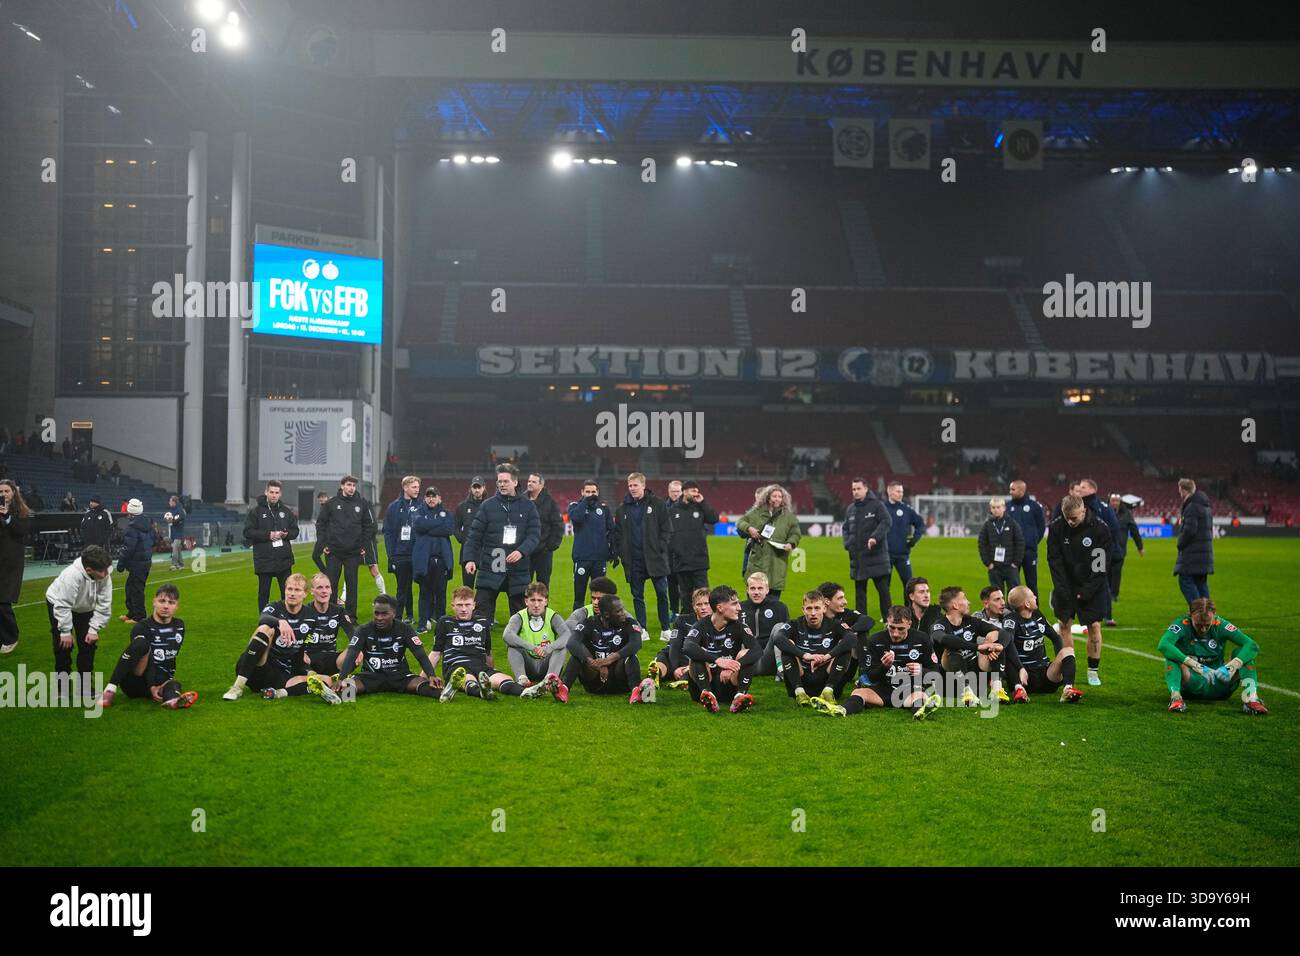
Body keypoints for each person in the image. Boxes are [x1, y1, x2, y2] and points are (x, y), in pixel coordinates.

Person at [221, 572, 340, 703]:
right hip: (257, 667)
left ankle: (278, 693)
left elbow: (299, 654)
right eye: (289, 589)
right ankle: (237, 687)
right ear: (284, 590)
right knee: (265, 628)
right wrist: (280, 622)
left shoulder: (311, 617)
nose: (292, 593)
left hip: (279, 675)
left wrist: (309, 672)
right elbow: (262, 618)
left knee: (325, 680)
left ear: (305, 594)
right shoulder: (275, 607)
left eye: (297, 590)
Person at [462, 463, 541, 635]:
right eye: (499, 482)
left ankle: (523, 652)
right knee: (480, 612)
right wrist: (469, 559)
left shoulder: (528, 506)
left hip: (517, 569)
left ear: (514, 482)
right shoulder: (487, 506)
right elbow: (474, 535)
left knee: (521, 615)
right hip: (490, 567)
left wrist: (521, 551)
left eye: (505, 481)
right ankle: (478, 649)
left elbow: (534, 535)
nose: (502, 484)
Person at [1046, 494, 1113, 687]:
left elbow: (1100, 566)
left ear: (1083, 510)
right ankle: (1070, 671)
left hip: (1092, 585)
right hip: (1065, 585)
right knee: (1064, 625)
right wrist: (1062, 588)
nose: (1070, 521)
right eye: (1067, 518)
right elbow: (1054, 561)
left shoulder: (1100, 529)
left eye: (1074, 518)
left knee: (1094, 626)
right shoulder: (1057, 527)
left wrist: (1086, 591)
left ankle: (1093, 671)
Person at [97, 583, 198, 710]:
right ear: (154, 602)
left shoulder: (179, 625)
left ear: (176, 606)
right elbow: (147, 657)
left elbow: (171, 657)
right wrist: (151, 685)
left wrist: (164, 682)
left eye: (171, 603)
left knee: (174, 684)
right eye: (162, 601)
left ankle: (172, 701)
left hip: (160, 682)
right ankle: (110, 690)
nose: (166, 606)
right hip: (135, 681)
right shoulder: (142, 627)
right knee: (141, 643)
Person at [1159, 598, 1267, 715]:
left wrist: (1232, 666)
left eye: (1207, 625)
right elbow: (1164, 645)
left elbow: (1252, 645)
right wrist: (1195, 665)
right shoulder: (1181, 624)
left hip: (1220, 680)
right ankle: (1176, 698)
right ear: (1190, 615)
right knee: (1172, 656)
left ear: (1214, 616)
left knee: (1243, 653)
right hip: (1192, 684)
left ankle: (1251, 699)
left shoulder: (1221, 625)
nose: (1203, 629)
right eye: (1199, 625)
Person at [336, 594, 443, 701]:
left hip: (399, 676)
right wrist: (342, 678)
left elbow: (420, 654)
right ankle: (333, 696)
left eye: (384, 614)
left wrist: (431, 675)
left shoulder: (404, 629)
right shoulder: (363, 630)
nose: (379, 618)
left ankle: (443, 694)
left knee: (429, 686)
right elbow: (352, 654)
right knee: (345, 692)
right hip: (371, 676)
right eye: (376, 613)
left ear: (393, 614)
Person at [847, 605, 942, 720]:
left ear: (909, 624)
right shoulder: (875, 640)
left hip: (910, 690)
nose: (895, 633)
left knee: (921, 696)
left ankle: (919, 712)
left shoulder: (922, 639)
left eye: (901, 629)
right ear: (887, 622)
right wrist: (884, 667)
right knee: (858, 692)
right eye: (891, 627)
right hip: (883, 691)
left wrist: (921, 670)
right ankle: (840, 710)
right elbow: (870, 677)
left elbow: (935, 672)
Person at [769, 589, 855, 716]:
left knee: (845, 649)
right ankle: (800, 693)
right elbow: (778, 638)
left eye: (817, 608)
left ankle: (828, 691)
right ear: (803, 609)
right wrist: (804, 655)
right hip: (802, 678)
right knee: (787, 648)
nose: (813, 613)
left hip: (827, 678)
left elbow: (852, 638)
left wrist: (827, 656)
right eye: (809, 608)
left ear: (824, 608)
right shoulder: (795, 624)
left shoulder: (835, 624)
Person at [681, 585, 760, 714]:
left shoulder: (739, 626)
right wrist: (717, 660)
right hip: (705, 681)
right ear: (720, 608)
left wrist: (734, 665)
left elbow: (757, 650)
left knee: (745, 653)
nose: (739, 608)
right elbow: (688, 647)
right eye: (734, 604)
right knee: (697, 652)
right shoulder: (701, 625)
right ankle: (707, 694)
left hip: (728, 683)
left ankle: (739, 696)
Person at [614, 471, 673, 639]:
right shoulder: (622, 509)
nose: (632, 488)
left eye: (635, 485)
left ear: (643, 486)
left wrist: (660, 547)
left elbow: (667, 528)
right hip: (634, 561)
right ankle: (642, 628)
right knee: (637, 596)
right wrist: (622, 553)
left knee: (662, 593)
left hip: (655, 558)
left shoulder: (657, 504)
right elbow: (618, 534)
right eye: (630, 486)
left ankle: (665, 629)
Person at [45, 545, 113, 688]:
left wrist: (94, 630)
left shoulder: (104, 573)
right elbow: (63, 605)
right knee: (63, 645)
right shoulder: (71, 576)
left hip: (85, 607)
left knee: (88, 644)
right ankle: (61, 685)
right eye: (102, 571)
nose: (107, 573)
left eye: (107, 568)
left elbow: (104, 604)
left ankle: (85, 686)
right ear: (89, 570)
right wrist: (65, 632)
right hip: (59, 603)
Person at [561, 594, 650, 703]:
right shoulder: (589, 623)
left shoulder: (629, 623)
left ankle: (636, 691)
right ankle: (563, 689)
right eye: (618, 611)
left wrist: (610, 659)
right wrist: (592, 662)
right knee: (577, 655)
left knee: (631, 656)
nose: (623, 614)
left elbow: (636, 643)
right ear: (607, 614)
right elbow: (572, 643)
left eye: (623, 609)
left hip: (620, 681)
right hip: (594, 681)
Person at [929, 586, 1008, 707]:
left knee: (995, 645)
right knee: (953, 649)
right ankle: (967, 692)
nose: (969, 602)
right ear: (955, 605)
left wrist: (999, 646)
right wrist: (977, 647)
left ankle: (997, 689)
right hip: (951, 680)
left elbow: (1003, 633)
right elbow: (945, 639)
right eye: (964, 598)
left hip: (975, 675)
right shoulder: (939, 625)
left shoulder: (971, 621)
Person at [1004, 585, 1083, 703]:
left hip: (1045, 675)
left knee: (1068, 651)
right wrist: (1020, 668)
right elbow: (1008, 643)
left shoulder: (1037, 615)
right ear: (1027, 604)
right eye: (1032, 596)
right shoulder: (1011, 620)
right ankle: (1018, 690)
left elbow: (1055, 638)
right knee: (1005, 652)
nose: (1035, 597)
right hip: (1024, 677)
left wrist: (1060, 661)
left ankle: (1068, 689)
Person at [317, 475, 378, 621]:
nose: (351, 488)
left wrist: (363, 545)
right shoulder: (331, 503)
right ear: (342, 486)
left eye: (353, 485)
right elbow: (321, 524)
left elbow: (368, 527)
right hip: (334, 552)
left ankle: (351, 616)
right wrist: (324, 544)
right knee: (331, 584)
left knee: (352, 585)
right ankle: (330, 615)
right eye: (349, 485)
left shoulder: (362, 503)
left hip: (353, 552)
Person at [502, 582, 571, 696]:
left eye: (540, 600)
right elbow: (507, 635)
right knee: (512, 646)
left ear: (546, 601)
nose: (536, 604)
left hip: (546, 662)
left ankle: (549, 680)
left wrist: (549, 648)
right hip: (528, 663)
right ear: (526, 601)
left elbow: (567, 635)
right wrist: (532, 647)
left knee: (561, 648)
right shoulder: (519, 617)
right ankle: (522, 679)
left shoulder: (553, 616)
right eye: (533, 600)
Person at [737, 483, 800, 602]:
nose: (777, 499)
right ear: (767, 497)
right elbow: (740, 522)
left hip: (777, 560)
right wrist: (749, 528)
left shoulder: (788, 516)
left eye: (780, 497)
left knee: (773, 602)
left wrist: (791, 543)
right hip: (758, 560)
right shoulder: (756, 512)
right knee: (753, 599)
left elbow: (795, 533)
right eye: (774, 496)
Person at [243, 480, 300, 612]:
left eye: (276, 493)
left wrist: (286, 534)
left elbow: (295, 531)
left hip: (284, 559)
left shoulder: (286, 511)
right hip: (264, 559)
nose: (274, 495)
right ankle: (264, 620)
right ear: (266, 492)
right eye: (271, 492)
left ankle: (287, 617)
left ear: (280, 494)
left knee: (287, 592)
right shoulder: (256, 512)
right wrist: (268, 535)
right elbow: (247, 532)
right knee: (264, 593)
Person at [842, 477, 892, 620]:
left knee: (883, 592)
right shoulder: (850, 509)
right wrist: (847, 543)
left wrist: (875, 537)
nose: (856, 492)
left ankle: (889, 621)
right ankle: (862, 625)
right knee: (860, 595)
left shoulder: (877, 505)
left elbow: (886, 521)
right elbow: (845, 528)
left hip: (876, 557)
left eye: (858, 488)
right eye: (853, 489)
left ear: (866, 489)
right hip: (858, 558)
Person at [668, 480, 718, 609]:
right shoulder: (673, 510)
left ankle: (706, 621)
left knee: (704, 594)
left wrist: (703, 502)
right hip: (681, 560)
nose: (696, 493)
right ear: (684, 492)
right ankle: (687, 622)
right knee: (685, 596)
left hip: (699, 560)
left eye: (697, 490)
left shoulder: (700, 508)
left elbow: (714, 519)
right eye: (693, 490)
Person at [567, 479, 615, 611]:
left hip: (600, 559)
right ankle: (578, 623)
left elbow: (611, 530)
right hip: (582, 558)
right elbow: (577, 518)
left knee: (599, 596)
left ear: (598, 492)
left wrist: (613, 550)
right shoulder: (575, 506)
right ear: (582, 492)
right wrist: (585, 502)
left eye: (593, 491)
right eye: (587, 492)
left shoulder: (604, 509)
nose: (591, 494)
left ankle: (599, 622)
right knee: (579, 596)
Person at [649, 586, 711, 688]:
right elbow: (674, 645)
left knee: (699, 664)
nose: (703, 607)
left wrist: (686, 667)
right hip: (675, 656)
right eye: (699, 604)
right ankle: (654, 677)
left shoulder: (717, 623)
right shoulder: (682, 620)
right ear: (694, 606)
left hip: (694, 659)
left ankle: (684, 680)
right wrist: (675, 669)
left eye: (706, 604)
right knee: (662, 658)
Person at [382, 475, 424, 623]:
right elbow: (388, 532)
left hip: (418, 553)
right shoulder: (394, 507)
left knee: (425, 586)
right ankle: (400, 617)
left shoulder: (422, 505)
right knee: (403, 588)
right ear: (405, 488)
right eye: (414, 487)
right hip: (400, 554)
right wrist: (391, 554)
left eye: (418, 487)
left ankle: (425, 617)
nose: (417, 490)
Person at [411, 486, 454, 630]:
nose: (431, 499)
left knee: (441, 592)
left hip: (441, 560)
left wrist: (427, 528)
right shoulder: (418, 512)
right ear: (425, 498)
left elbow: (448, 529)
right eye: (428, 496)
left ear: (439, 498)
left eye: (434, 496)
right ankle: (423, 624)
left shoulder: (446, 513)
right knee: (425, 592)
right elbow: (418, 525)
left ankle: (441, 625)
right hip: (425, 560)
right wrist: (437, 525)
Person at [0, 479, 33, 654]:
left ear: (13, 493)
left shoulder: (21, 511)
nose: (3, 494)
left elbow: (21, 531)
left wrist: (7, 517)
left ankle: (11, 637)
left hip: (11, 563)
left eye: (6, 491)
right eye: (1, 491)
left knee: (3, 602)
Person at [300, 572, 354, 676]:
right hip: (309, 660)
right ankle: (313, 675)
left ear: (331, 590)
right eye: (319, 587)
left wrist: (356, 649)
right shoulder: (304, 611)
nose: (324, 591)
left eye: (327, 587)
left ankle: (334, 676)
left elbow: (351, 632)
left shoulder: (339, 611)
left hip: (332, 659)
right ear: (312, 591)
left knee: (355, 650)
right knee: (296, 655)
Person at [741, 570, 789, 677]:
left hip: (769, 658)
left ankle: (781, 669)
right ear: (747, 590)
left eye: (760, 588)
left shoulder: (779, 607)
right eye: (752, 588)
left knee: (780, 627)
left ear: (767, 590)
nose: (756, 592)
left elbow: (788, 637)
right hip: (747, 659)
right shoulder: (739, 608)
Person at [1174, 478, 1214, 605]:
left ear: (1184, 490)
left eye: (1180, 489)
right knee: (1200, 583)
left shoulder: (1192, 506)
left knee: (1185, 580)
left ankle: (1198, 612)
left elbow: (1190, 530)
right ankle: (1208, 615)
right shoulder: (1204, 505)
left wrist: (1180, 543)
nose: (1179, 492)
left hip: (1193, 553)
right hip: (1203, 554)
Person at [1108, 493, 1145, 625]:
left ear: (1120, 502)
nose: (1115, 503)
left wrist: (1140, 546)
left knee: (1117, 573)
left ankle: (1114, 595)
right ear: (1109, 501)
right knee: (1106, 573)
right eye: (1113, 500)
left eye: (1117, 500)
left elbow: (1134, 531)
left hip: (1120, 550)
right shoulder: (1105, 512)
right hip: (1105, 549)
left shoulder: (1126, 514)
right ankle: (1107, 594)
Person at [116, 498, 154, 625]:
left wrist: (120, 564)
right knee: (130, 588)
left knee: (136, 590)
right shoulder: (148, 523)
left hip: (137, 563)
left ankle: (139, 616)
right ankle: (132, 613)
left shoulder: (132, 527)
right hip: (145, 562)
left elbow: (128, 549)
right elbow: (154, 540)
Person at [1006, 480, 1047, 597]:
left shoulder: (1034, 507)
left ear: (1021, 490)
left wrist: (1033, 541)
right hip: (1012, 552)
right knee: (1012, 584)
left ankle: (1035, 612)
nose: (1010, 492)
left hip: (1029, 551)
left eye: (1013, 489)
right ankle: (1011, 612)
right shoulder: (1007, 507)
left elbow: (1041, 527)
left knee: (1032, 583)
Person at [523, 472, 563, 588]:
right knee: (523, 585)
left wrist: (549, 547)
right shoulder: (521, 500)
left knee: (543, 585)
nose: (530, 484)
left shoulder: (550, 502)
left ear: (541, 485)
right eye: (529, 481)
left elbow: (558, 526)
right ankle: (524, 607)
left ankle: (543, 607)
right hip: (525, 551)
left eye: (533, 482)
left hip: (543, 552)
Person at [977, 497, 1024, 594]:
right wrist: (988, 563)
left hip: (1010, 566)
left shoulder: (1012, 523)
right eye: (993, 507)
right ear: (990, 509)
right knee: (997, 595)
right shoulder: (987, 525)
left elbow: (1020, 542)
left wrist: (1015, 562)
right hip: (995, 567)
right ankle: (1000, 610)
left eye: (998, 507)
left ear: (1004, 508)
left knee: (1014, 594)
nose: (996, 510)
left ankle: (1012, 610)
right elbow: (981, 543)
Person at [884, 482, 925, 591]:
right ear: (890, 492)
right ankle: (886, 609)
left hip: (902, 555)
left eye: (902, 492)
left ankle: (908, 608)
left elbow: (920, 524)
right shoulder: (882, 509)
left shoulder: (907, 510)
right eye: (898, 491)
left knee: (909, 585)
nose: (901, 494)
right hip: (885, 555)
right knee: (884, 587)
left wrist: (914, 539)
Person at [453, 477, 487, 588]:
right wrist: (463, 539)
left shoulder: (490, 506)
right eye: (474, 487)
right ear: (471, 489)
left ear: (484, 488)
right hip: (468, 552)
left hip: (486, 551)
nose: (477, 490)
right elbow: (455, 526)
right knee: (468, 587)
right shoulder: (462, 506)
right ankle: (467, 605)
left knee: (486, 588)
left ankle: (482, 606)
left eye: (479, 487)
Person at [664, 480, 684, 614]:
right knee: (671, 585)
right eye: (673, 491)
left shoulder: (687, 507)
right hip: (669, 553)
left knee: (685, 585)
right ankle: (674, 611)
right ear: (668, 492)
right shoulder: (663, 508)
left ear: (682, 492)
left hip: (684, 553)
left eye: (678, 491)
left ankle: (686, 611)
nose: (675, 494)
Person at [163, 494, 186, 571]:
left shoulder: (179, 509)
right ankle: (181, 564)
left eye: (170, 501)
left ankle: (174, 564)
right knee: (178, 549)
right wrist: (168, 520)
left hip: (178, 533)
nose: (169, 502)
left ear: (174, 502)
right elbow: (170, 520)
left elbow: (181, 517)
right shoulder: (171, 510)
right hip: (173, 532)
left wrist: (173, 520)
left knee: (175, 548)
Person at [310, 491, 330, 573]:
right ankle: (327, 574)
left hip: (326, 538)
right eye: (320, 498)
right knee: (317, 556)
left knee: (316, 556)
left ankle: (328, 575)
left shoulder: (329, 507)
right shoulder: (322, 507)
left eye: (322, 497)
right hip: (321, 537)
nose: (321, 499)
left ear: (326, 497)